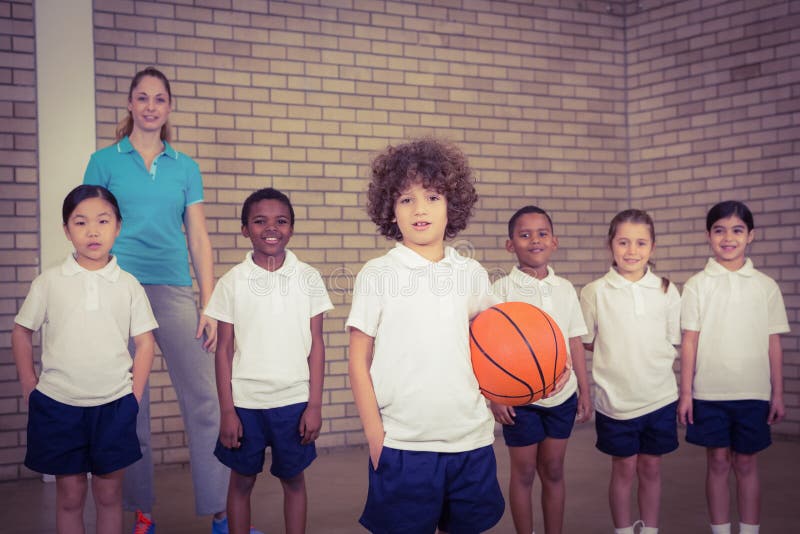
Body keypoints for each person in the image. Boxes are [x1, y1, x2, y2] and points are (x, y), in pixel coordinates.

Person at [83, 66, 237, 534]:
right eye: (142, 98)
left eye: (159, 99)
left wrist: (208, 302)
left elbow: (198, 237)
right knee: (132, 403)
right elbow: (89, 224)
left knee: (206, 399)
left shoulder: (185, 167)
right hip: (119, 290)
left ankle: (220, 509)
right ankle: (140, 509)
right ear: (130, 105)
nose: (150, 106)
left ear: (168, 108)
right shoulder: (103, 161)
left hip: (173, 289)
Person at [346, 138, 506, 533]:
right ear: (390, 210)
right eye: (406, 199)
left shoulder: (471, 274)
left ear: (452, 204)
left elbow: (495, 352)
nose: (420, 209)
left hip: (469, 439)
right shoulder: (378, 274)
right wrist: (374, 436)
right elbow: (357, 359)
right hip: (404, 444)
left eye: (433, 196)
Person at [12, 185, 157, 534]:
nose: (93, 231)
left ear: (118, 226)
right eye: (80, 223)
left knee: (109, 497)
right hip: (60, 406)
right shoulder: (49, 282)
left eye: (103, 221)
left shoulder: (129, 285)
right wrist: (32, 388)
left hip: (114, 406)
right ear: (67, 230)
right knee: (70, 497)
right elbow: (21, 332)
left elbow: (145, 342)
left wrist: (133, 396)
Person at [206, 188, 333, 534]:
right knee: (242, 482)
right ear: (245, 229)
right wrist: (228, 410)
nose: (271, 228)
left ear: (291, 228)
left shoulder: (308, 278)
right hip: (246, 404)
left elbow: (317, 346)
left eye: (281, 221)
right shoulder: (232, 282)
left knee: (293, 480)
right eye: (259, 221)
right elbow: (224, 350)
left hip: (293, 402)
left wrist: (315, 405)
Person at [678, 201, 789, 534]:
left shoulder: (765, 286)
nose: (728, 238)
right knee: (717, 462)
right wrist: (686, 393)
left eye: (737, 230)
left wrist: (778, 393)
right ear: (709, 236)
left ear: (750, 236)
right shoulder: (698, 284)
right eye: (719, 230)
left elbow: (773, 344)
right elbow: (689, 342)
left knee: (746, 463)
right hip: (709, 392)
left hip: (752, 392)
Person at [491, 205, 592, 534]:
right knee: (522, 473)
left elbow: (575, 340)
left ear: (554, 241)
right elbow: (489, 348)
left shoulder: (564, 289)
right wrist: (496, 394)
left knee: (553, 470)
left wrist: (584, 391)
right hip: (520, 400)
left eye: (542, 233)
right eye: (524, 234)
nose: (534, 240)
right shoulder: (502, 290)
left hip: (561, 395)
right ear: (510, 245)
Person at [580, 209, 681, 534]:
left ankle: (649, 530)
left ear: (652, 247)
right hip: (615, 401)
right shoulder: (595, 291)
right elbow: (588, 340)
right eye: (623, 242)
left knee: (651, 468)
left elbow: (672, 340)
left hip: (659, 398)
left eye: (640, 243)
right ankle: (623, 530)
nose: (632, 251)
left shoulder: (666, 289)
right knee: (623, 469)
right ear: (610, 244)